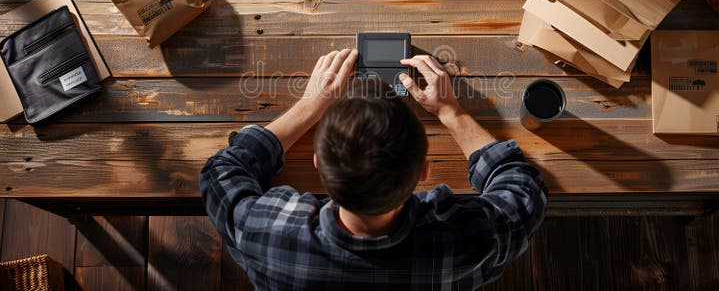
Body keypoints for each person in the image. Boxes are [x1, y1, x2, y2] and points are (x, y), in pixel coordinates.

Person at [200, 49, 547, 289]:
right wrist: (451, 113)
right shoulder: (463, 244)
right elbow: (523, 193)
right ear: (424, 171)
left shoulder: (267, 234)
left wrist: (309, 107)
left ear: (319, 164)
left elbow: (220, 172)